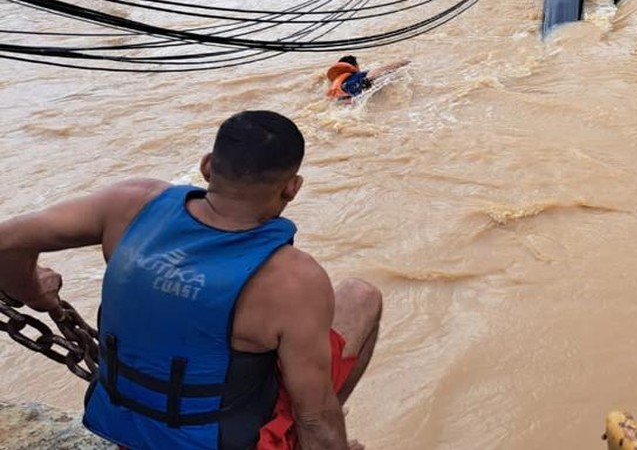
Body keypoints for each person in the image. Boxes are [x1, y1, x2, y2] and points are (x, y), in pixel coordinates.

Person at [0, 110, 381, 450]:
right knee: (361, 297)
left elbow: (7, 241)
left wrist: (32, 290)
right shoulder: (293, 279)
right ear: (292, 187)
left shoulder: (129, 203)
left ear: (208, 166)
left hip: (127, 427)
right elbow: (317, 419)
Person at [325, 55, 410, 101]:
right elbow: (379, 70)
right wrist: (404, 62)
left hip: (344, 98)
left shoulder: (336, 86)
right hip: (362, 86)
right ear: (355, 67)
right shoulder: (358, 75)